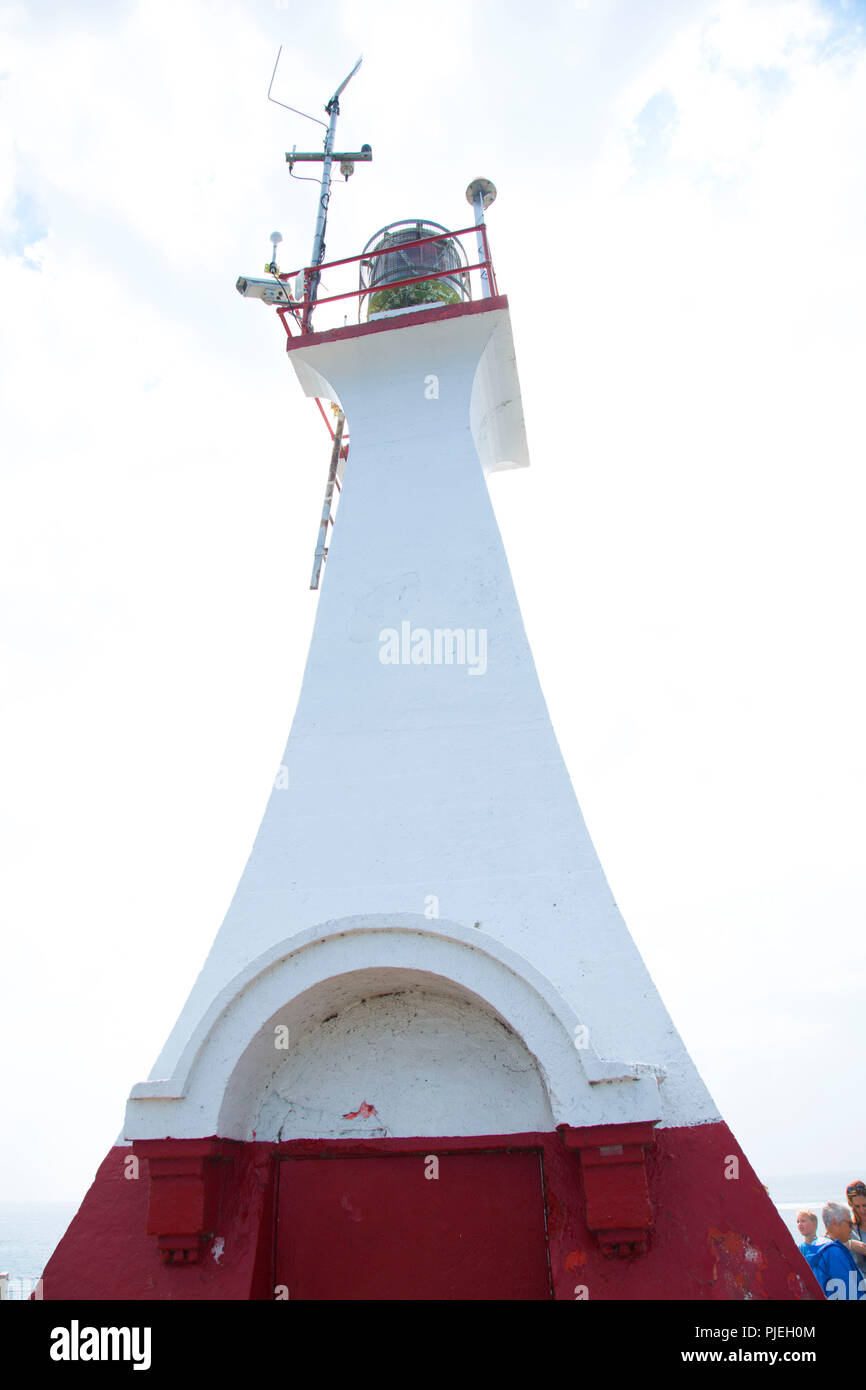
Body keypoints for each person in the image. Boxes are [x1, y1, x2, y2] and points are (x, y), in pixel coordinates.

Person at [802, 1202, 866, 1300]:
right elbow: (849, 1293)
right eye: (849, 1223)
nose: (852, 1228)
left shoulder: (817, 1246)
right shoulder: (834, 1253)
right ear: (834, 1223)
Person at [845, 1180, 866, 1280]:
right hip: (855, 1287)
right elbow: (827, 1244)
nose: (862, 1210)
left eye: (864, 1205)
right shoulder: (847, 1228)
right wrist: (850, 1244)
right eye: (857, 1207)